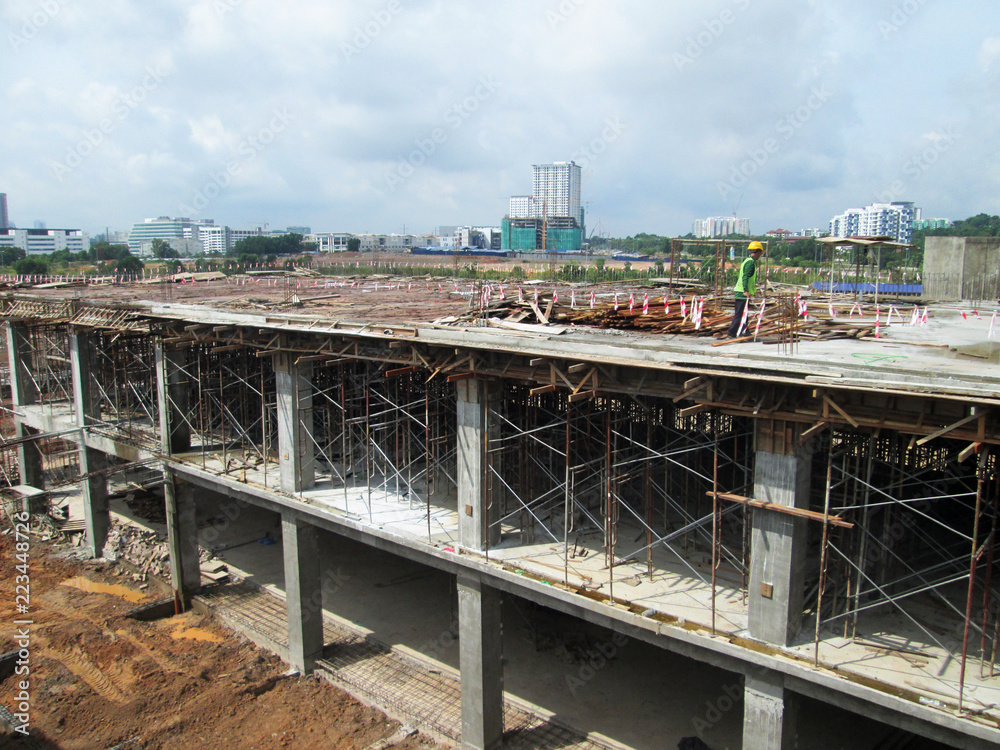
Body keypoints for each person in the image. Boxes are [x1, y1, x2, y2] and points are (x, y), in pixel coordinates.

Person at [727, 241, 764, 338]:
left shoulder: (748, 261)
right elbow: (745, 277)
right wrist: (746, 291)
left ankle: (745, 330)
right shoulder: (750, 263)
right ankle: (731, 333)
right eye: (760, 253)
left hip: (741, 291)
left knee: (744, 312)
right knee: (739, 314)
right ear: (757, 252)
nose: (760, 255)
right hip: (741, 292)